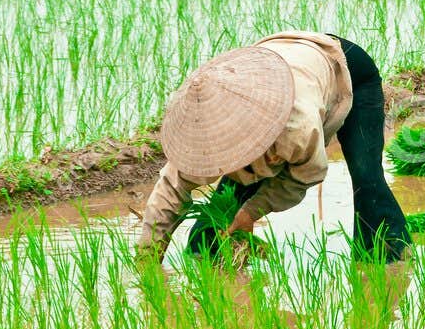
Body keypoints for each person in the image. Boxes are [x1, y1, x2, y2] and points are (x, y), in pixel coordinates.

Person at [137, 32, 409, 263]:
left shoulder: (297, 126)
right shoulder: (202, 133)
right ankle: (207, 257)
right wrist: (147, 259)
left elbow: (306, 174)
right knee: (229, 195)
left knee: (366, 178)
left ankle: (390, 259)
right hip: (273, 62)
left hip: (343, 68)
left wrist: (251, 212)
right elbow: (170, 192)